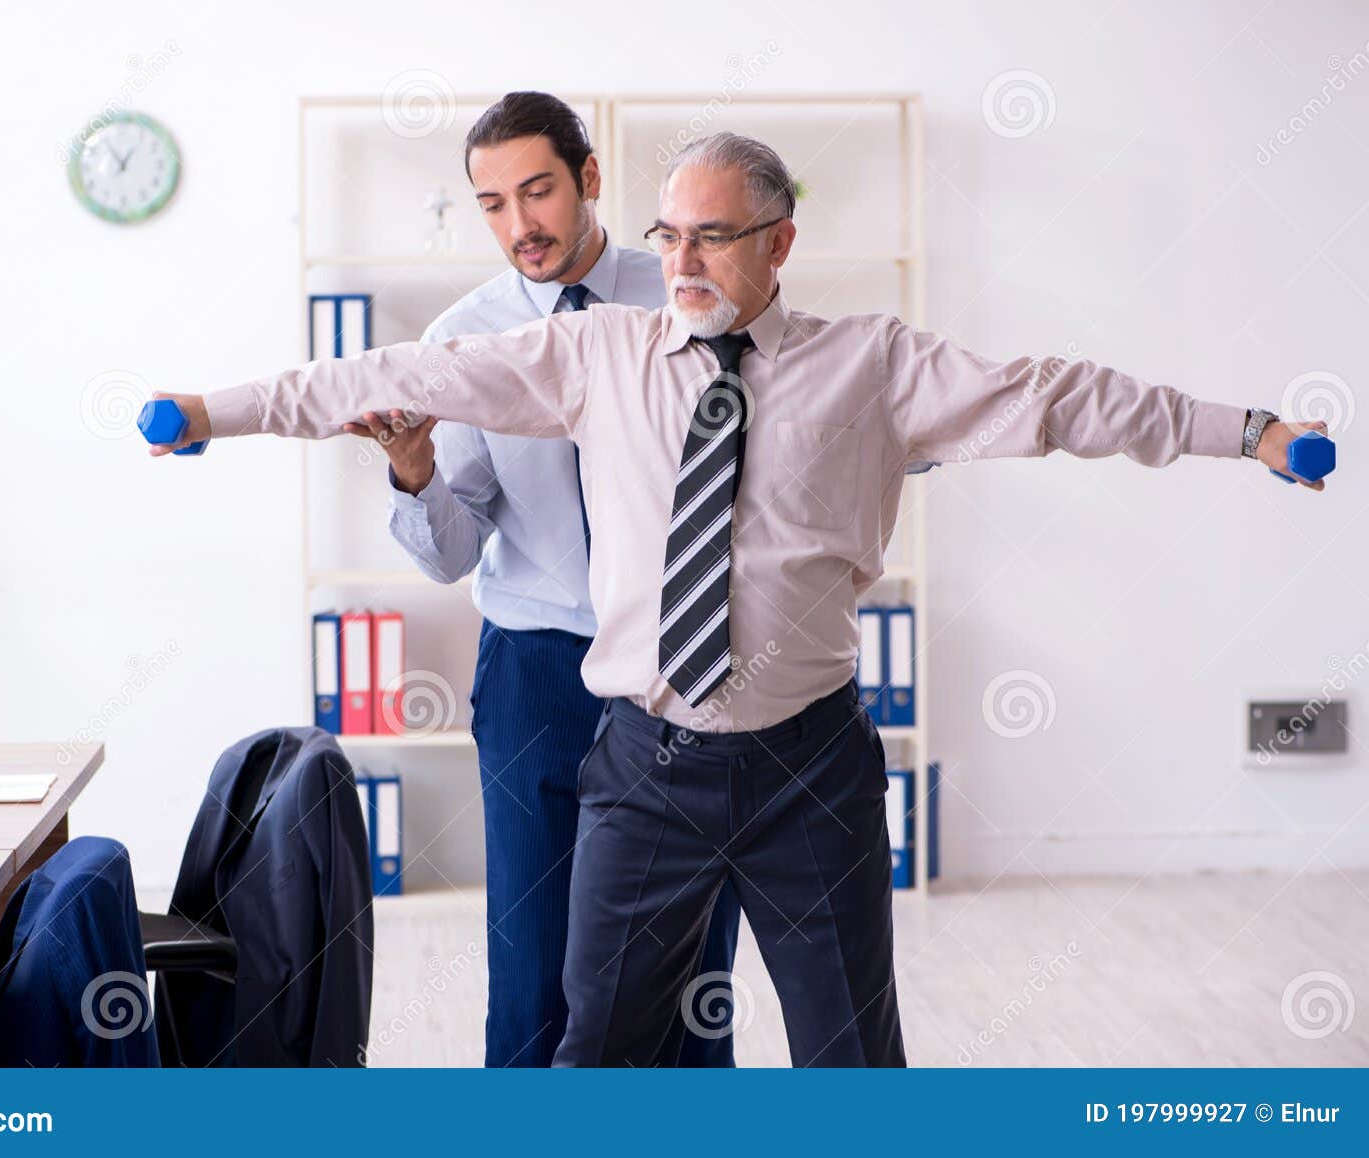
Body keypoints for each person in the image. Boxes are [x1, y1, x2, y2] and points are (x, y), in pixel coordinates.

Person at [147, 132, 1325, 1066]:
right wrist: (215, 411)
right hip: (644, 775)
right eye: (670, 237)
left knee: (851, 1057)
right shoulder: (595, 354)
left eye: (716, 239)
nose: (685, 264)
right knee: (595, 1048)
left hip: (810, 774)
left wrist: (1251, 433)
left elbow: (1062, 398)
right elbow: (392, 373)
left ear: (780, 243)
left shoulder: (871, 365)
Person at [341, 91, 740, 1069]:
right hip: (535, 676)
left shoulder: (685, 296)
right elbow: (446, 552)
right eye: (492, 204)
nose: (519, 225)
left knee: (688, 978)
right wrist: (412, 469)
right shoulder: (463, 340)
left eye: (537, 192)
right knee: (533, 979)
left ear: (589, 180)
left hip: (680, 669)